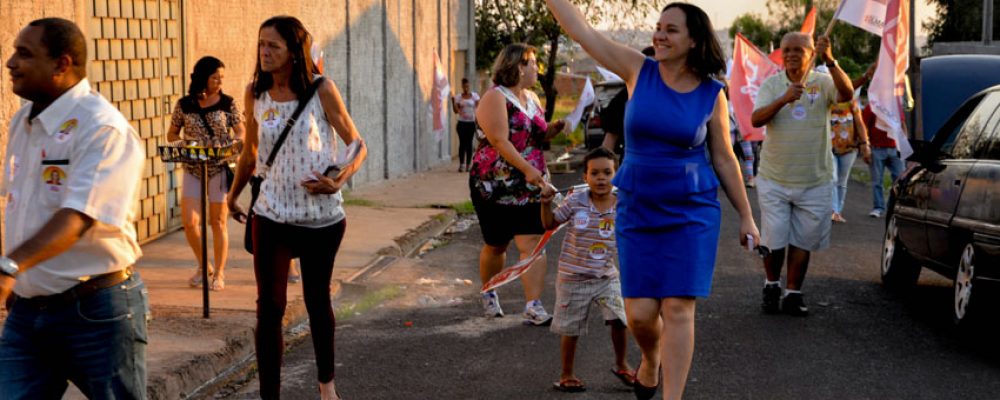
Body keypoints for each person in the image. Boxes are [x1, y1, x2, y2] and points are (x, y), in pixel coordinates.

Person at [546, 2, 760, 399]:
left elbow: (724, 158)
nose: (659, 35)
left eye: (671, 30)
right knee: (641, 314)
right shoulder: (637, 70)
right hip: (639, 208)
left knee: (678, 307)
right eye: (658, 27)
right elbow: (582, 31)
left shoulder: (713, 93)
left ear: (694, 40)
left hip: (691, 211)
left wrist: (746, 216)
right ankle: (651, 357)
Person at [0, 18, 148, 399]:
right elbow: (22, 207)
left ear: (61, 64)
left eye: (25, 53)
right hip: (28, 313)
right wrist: (24, 279)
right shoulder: (23, 121)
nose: (10, 63)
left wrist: (11, 266)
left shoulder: (102, 127)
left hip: (97, 310)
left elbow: (77, 217)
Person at [227, 16, 367, 400]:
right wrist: (233, 193)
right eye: (261, 45)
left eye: (273, 45)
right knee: (269, 308)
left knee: (317, 301)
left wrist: (338, 179)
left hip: (321, 219)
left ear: (293, 50)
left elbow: (357, 144)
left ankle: (326, 386)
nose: (264, 52)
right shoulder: (255, 92)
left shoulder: (322, 89)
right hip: (272, 215)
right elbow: (251, 152)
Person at [751, 32, 854, 317]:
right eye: (787, 50)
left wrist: (830, 60)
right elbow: (756, 119)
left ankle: (793, 293)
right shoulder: (772, 84)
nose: (792, 55)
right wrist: (784, 98)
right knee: (774, 239)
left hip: (815, 180)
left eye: (799, 50)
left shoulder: (822, 83)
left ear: (811, 53)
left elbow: (846, 94)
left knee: (803, 240)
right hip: (775, 178)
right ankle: (772, 285)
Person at [469, 43, 566, 325]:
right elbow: (500, 141)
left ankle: (533, 305)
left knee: (533, 242)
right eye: (533, 63)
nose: (537, 68)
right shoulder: (494, 98)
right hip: (495, 184)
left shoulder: (532, 97)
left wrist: (552, 131)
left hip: (530, 183)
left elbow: (534, 134)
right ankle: (489, 292)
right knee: (496, 245)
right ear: (518, 66)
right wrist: (527, 170)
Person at [540, 147, 633, 393]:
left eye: (607, 172)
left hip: (606, 275)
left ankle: (621, 364)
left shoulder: (623, 202)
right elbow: (550, 223)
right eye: (595, 173)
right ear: (585, 177)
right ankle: (566, 373)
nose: (601, 178)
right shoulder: (576, 201)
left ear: (617, 175)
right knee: (571, 328)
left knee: (620, 319)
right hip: (574, 277)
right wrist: (545, 203)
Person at [167, 56, 246, 291]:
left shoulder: (228, 103)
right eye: (214, 77)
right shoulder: (184, 104)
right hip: (193, 166)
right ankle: (204, 266)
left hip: (219, 167)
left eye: (221, 77)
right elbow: (172, 134)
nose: (219, 81)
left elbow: (241, 131)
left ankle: (219, 273)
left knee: (218, 221)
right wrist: (183, 144)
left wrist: (232, 144)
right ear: (203, 77)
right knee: (190, 222)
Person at [828, 98, 870, 223]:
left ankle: (838, 211)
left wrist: (864, 143)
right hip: (829, 148)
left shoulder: (851, 102)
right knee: (833, 178)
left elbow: (859, 123)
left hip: (849, 148)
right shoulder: (826, 99)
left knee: (842, 181)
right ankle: (833, 211)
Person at [862, 102, 904, 218]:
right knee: (877, 181)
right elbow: (863, 126)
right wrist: (866, 147)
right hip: (876, 148)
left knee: (900, 179)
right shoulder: (871, 106)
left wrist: (905, 144)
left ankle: (893, 206)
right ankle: (878, 207)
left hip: (895, 148)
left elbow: (902, 123)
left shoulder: (896, 105)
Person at [453, 78, 480, 172]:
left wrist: (478, 121)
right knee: (462, 143)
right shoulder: (458, 97)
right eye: (464, 86)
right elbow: (456, 111)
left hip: (471, 123)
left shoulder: (475, 96)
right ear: (462, 86)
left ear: (469, 86)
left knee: (469, 143)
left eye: (467, 86)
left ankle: (468, 165)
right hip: (461, 123)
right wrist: (453, 102)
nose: (466, 88)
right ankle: (461, 165)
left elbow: (478, 108)